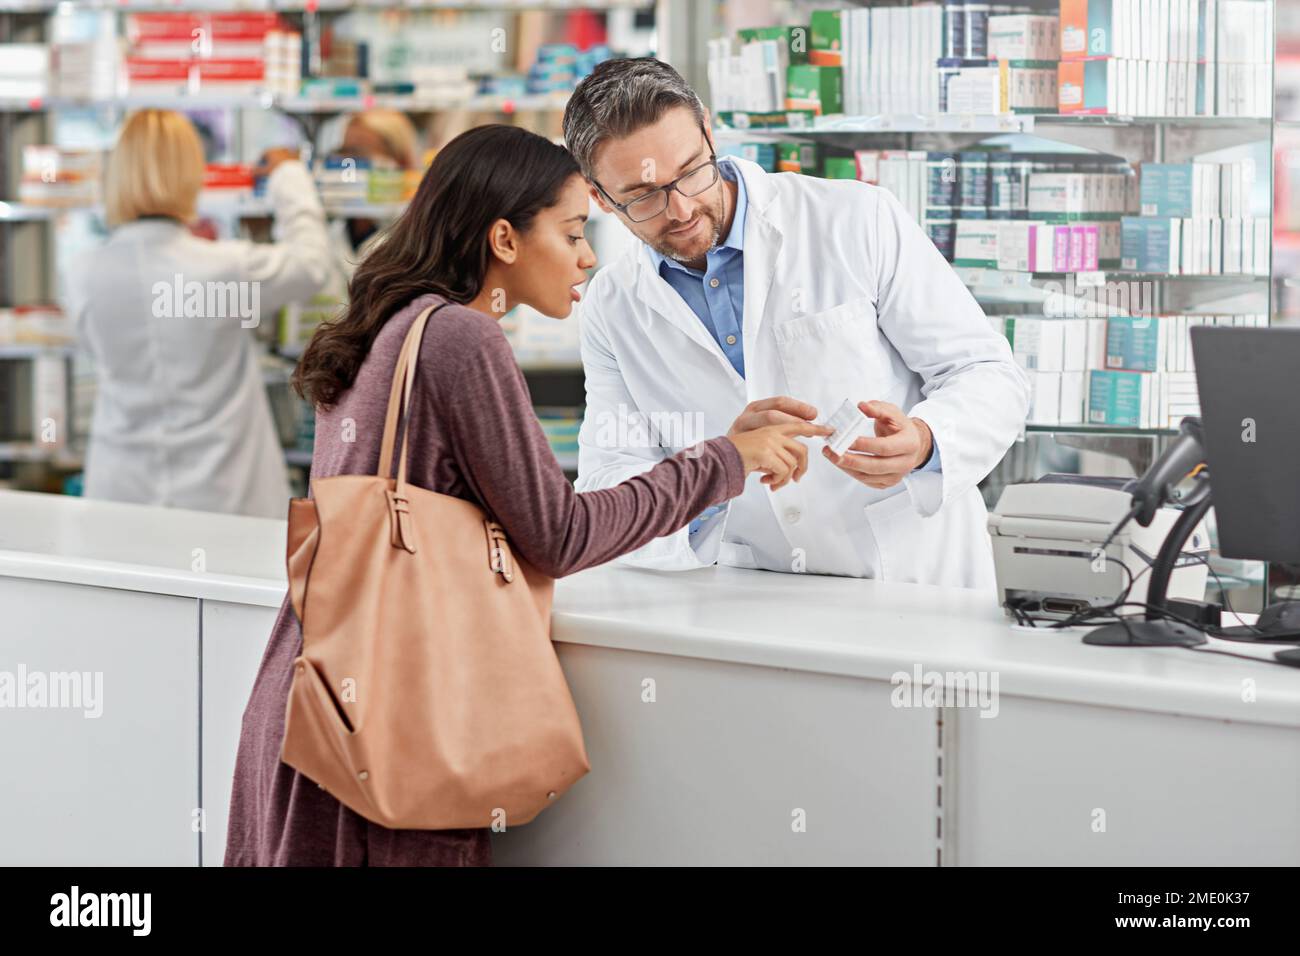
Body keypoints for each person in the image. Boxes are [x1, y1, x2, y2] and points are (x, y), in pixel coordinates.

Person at [223, 124, 828, 867]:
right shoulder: (460, 340)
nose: (586, 257)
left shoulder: (385, 324)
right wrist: (721, 464)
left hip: (317, 703)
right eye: (573, 232)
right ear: (505, 238)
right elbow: (560, 535)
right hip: (396, 722)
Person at [562, 57, 1032, 590]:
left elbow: (987, 372)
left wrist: (926, 441)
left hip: (913, 580)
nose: (682, 209)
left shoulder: (856, 218)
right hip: (757, 594)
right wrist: (715, 475)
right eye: (644, 197)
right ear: (599, 197)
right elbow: (609, 486)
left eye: (692, 171)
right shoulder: (611, 305)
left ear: (709, 133)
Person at [66, 109, 331, 518]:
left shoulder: (83, 273)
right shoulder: (222, 270)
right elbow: (312, 265)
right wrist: (288, 176)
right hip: (224, 496)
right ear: (192, 173)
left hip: (120, 494)